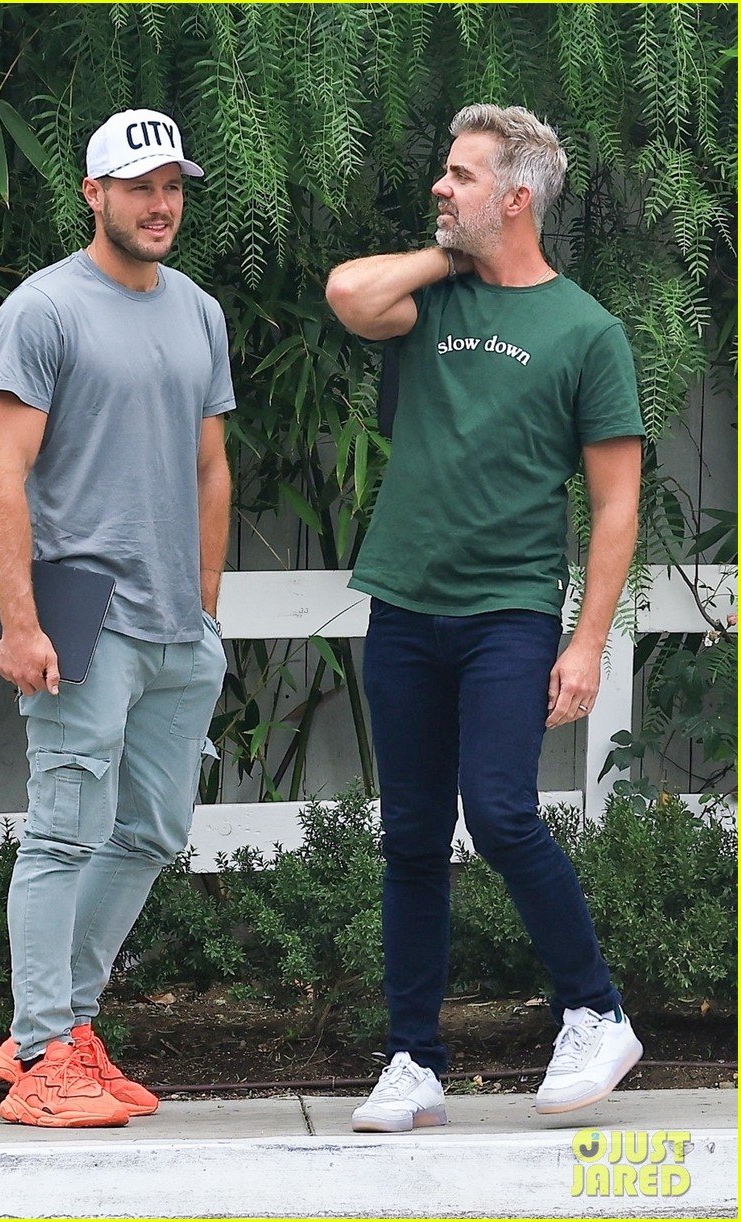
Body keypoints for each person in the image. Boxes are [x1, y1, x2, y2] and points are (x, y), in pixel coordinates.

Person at [326, 104, 645, 1133]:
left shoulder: (587, 333)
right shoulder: (431, 300)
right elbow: (346, 293)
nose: (438, 187)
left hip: (508, 609)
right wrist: (444, 252)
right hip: (404, 603)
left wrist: (585, 640)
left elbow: (613, 505)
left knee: (499, 811)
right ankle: (412, 1058)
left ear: (514, 197)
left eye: (459, 177)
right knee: (412, 834)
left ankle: (593, 1010)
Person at [0, 109, 234, 1128]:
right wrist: (19, 620)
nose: (158, 203)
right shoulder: (43, 311)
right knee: (63, 832)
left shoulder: (199, 311)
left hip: (178, 626)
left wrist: (206, 613)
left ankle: (63, 1027)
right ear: (92, 194)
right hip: (81, 614)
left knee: (151, 831)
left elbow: (212, 467)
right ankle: (41, 1051)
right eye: (137, 186)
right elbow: (1, 469)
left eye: (171, 184)